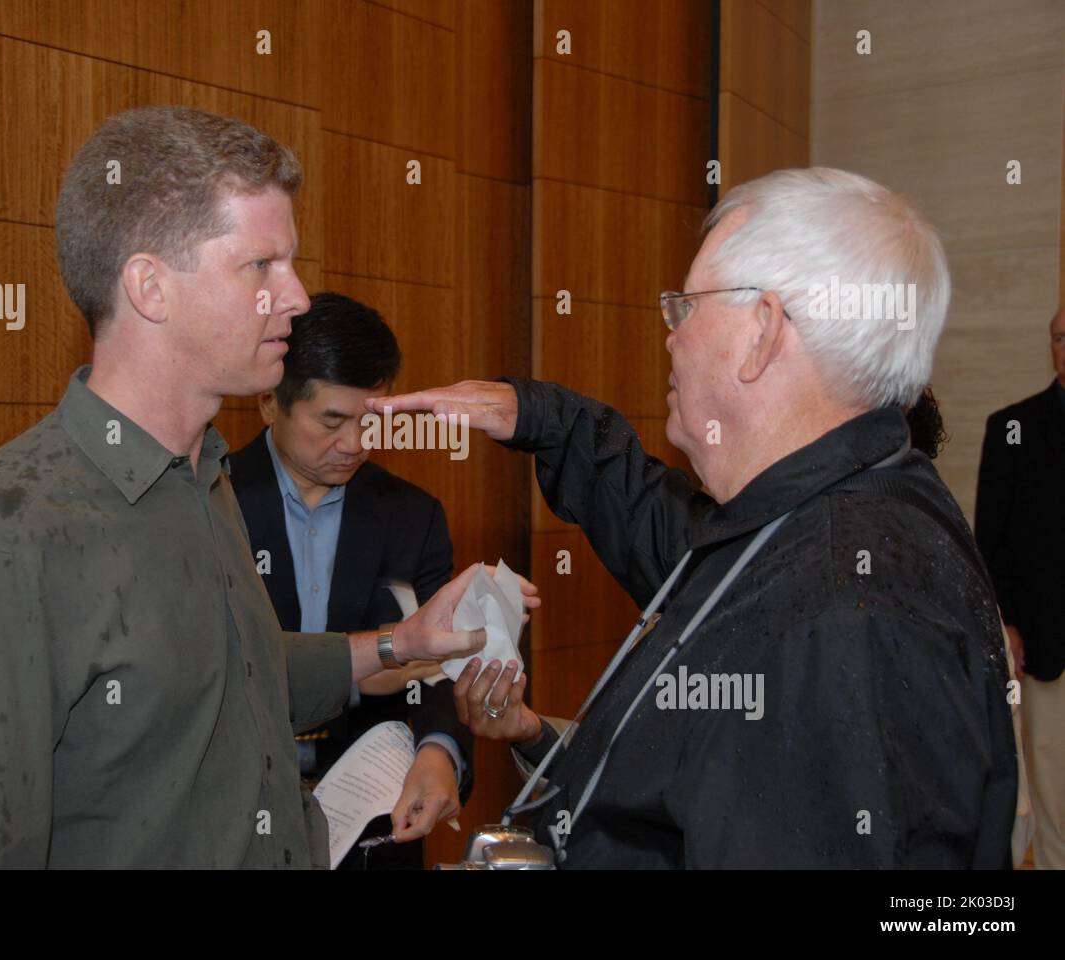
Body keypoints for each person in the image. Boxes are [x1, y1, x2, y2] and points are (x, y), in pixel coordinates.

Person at [0, 105, 537, 868]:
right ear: (151, 288)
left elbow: (233, 677)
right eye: (261, 267)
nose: (294, 297)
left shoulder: (204, 479)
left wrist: (400, 642)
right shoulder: (6, 535)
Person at [375, 168, 1018, 867]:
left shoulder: (849, 609)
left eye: (685, 308)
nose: (670, 338)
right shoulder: (817, 512)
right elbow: (680, 545)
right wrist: (543, 419)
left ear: (763, 332)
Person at [230, 291, 473, 869]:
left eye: (371, 421)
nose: (355, 445)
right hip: (237, 821)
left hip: (371, 830)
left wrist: (440, 752)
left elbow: (434, 670)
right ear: (270, 402)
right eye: (331, 421)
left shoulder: (412, 516)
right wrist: (370, 665)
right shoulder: (212, 502)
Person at [976, 306, 1065, 869]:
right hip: (1047, 643)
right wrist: (1005, 621)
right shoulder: (1014, 428)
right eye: (1061, 337)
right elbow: (989, 542)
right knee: (1053, 786)